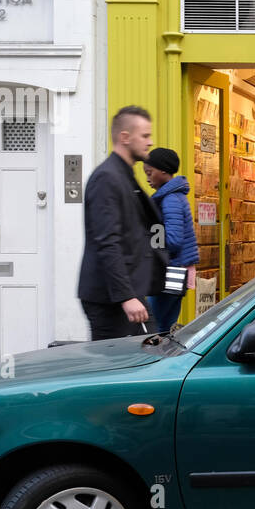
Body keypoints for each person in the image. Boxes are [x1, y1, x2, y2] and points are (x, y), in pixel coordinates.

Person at [78, 106, 167, 340]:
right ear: (125, 137)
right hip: (112, 299)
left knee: (150, 354)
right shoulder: (107, 178)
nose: (150, 142)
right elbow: (107, 242)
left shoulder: (124, 175)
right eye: (145, 136)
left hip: (127, 294)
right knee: (119, 366)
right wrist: (126, 297)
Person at [143, 147, 199, 333]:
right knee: (165, 327)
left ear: (164, 170)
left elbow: (174, 240)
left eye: (150, 173)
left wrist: (147, 240)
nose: (147, 178)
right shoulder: (174, 197)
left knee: (153, 327)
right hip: (177, 271)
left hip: (169, 271)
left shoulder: (170, 199)